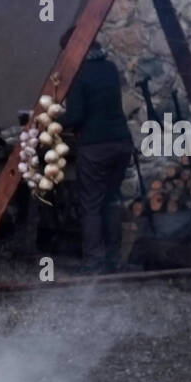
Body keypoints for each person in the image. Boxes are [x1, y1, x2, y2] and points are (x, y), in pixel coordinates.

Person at [59, 27, 134, 273]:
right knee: (111, 200)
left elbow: (76, 116)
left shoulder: (80, 74)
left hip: (96, 146)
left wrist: (54, 121)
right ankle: (113, 258)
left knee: (90, 204)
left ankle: (94, 262)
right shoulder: (110, 68)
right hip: (121, 142)